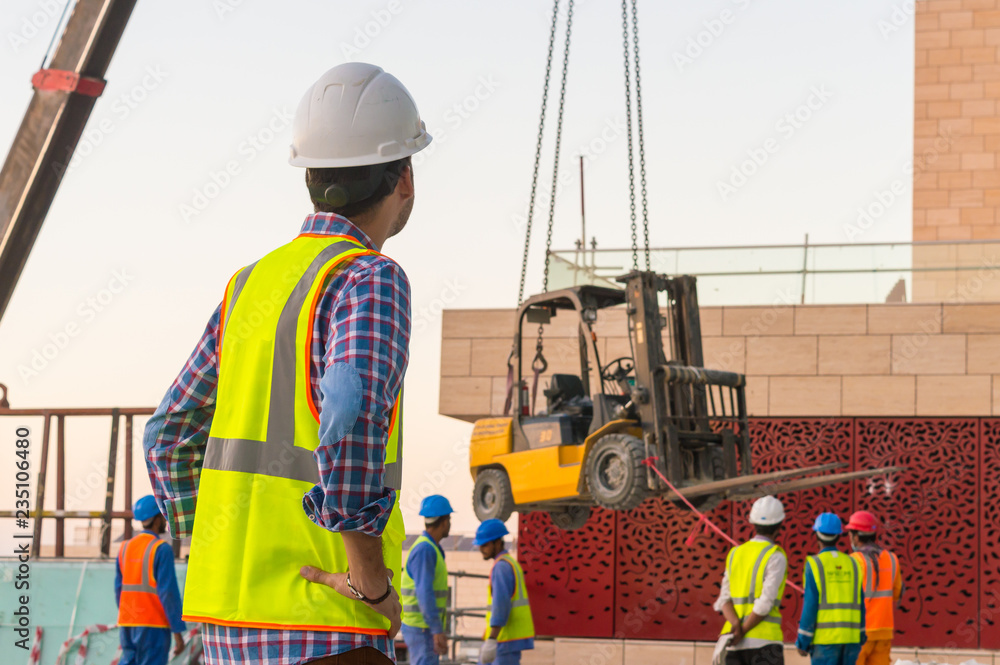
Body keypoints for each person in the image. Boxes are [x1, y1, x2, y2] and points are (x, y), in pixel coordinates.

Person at [143, 62, 431, 665]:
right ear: (404, 177)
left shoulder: (249, 286)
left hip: (227, 632)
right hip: (326, 628)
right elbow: (349, 424)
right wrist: (368, 582)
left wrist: (207, 543)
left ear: (309, 175)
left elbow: (168, 435)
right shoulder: (367, 279)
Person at [715, 495, 788, 665]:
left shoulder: (735, 553)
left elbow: (724, 599)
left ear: (753, 523)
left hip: (732, 642)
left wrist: (736, 627)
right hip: (765, 642)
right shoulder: (775, 556)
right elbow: (765, 603)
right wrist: (743, 630)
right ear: (780, 526)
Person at [115, 495, 187, 665]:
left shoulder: (125, 547)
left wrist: (128, 616)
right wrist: (178, 633)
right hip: (153, 627)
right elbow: (168, 593)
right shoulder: (161, 549)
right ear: (156, 519)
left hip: (127, 624)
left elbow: (119, 590)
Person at [795, 513, 865, 665]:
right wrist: (861, 634)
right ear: (839, 536)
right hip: (851, 641)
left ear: (816, 535)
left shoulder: (814, 564)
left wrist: (803, 639)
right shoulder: (853, 563)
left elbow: (810, 605)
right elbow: (861, 603)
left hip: (825, 642)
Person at [400, 495, 454, 664]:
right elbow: (425, 593)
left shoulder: (429, 548)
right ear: (444, 521)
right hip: (422, 628)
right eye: (449, 519)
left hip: (422, 627)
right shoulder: (426, 550)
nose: (450, 524)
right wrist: (437, 630)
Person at [846, 511, 903, 665]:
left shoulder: (853, 561)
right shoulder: (892, 559)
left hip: (860, 632)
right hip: (884, 630)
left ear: (856, 536)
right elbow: (897, 594)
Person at [475, 519, 535, 665]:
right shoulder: (509, 563)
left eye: (485, 544)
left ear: (497, 543)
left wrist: (492, 640)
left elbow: (500, 606)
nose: (481, 548)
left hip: (503, 640)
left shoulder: (501, 567)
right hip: (506, 641)